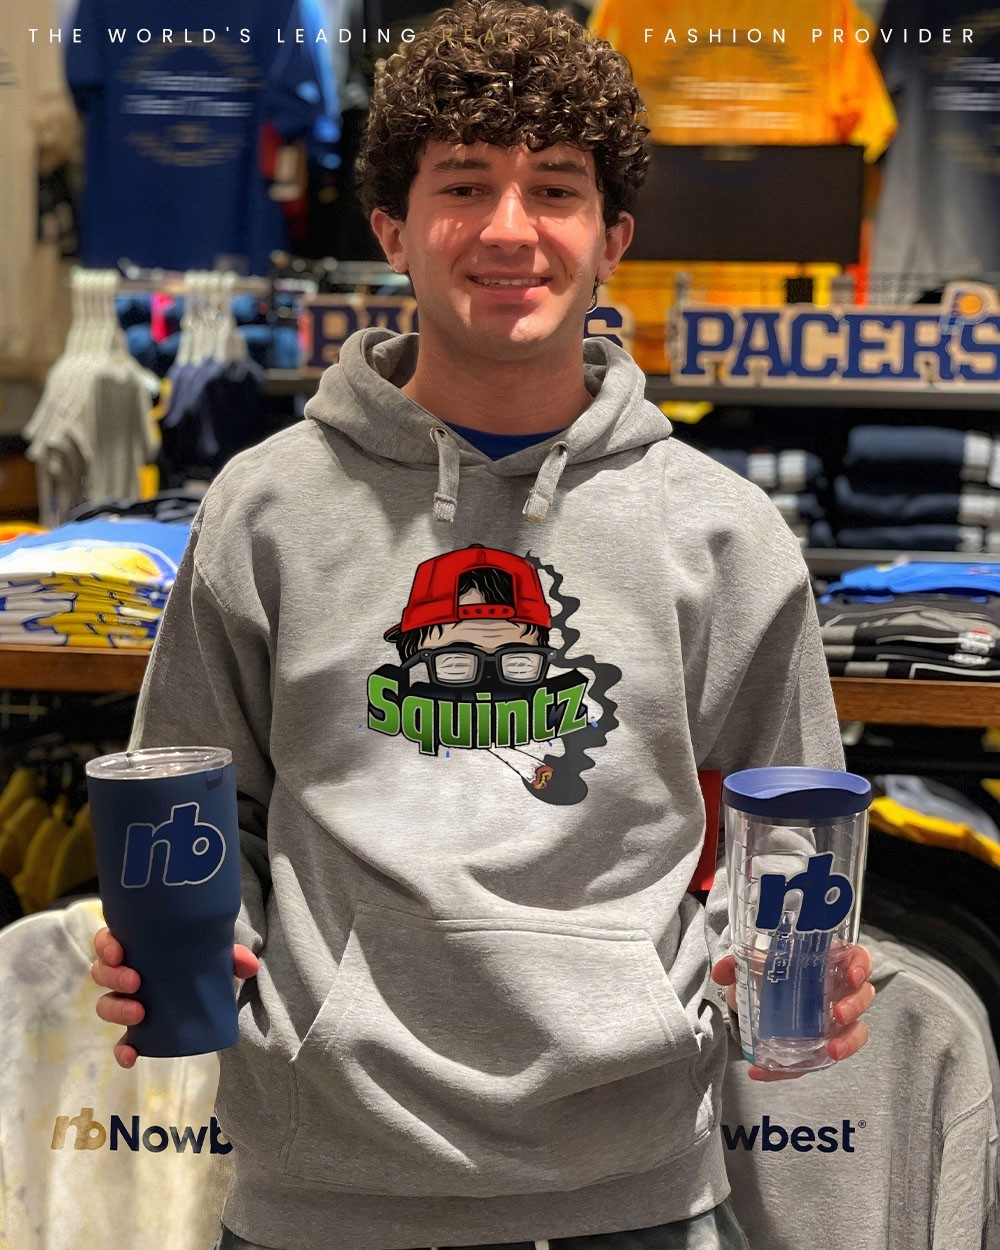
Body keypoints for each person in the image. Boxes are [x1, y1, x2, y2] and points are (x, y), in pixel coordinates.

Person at [91, 4, 876, 1249]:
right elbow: (195, 802)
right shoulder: (266, 505)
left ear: (611, 237)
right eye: (463, 185)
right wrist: (181, 948)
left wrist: (790, 983)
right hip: (324, 1192)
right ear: (392, 229)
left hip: (634, 1191)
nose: (510, 228)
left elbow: (789, 827)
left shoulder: (721, 530)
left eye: (554, 189)